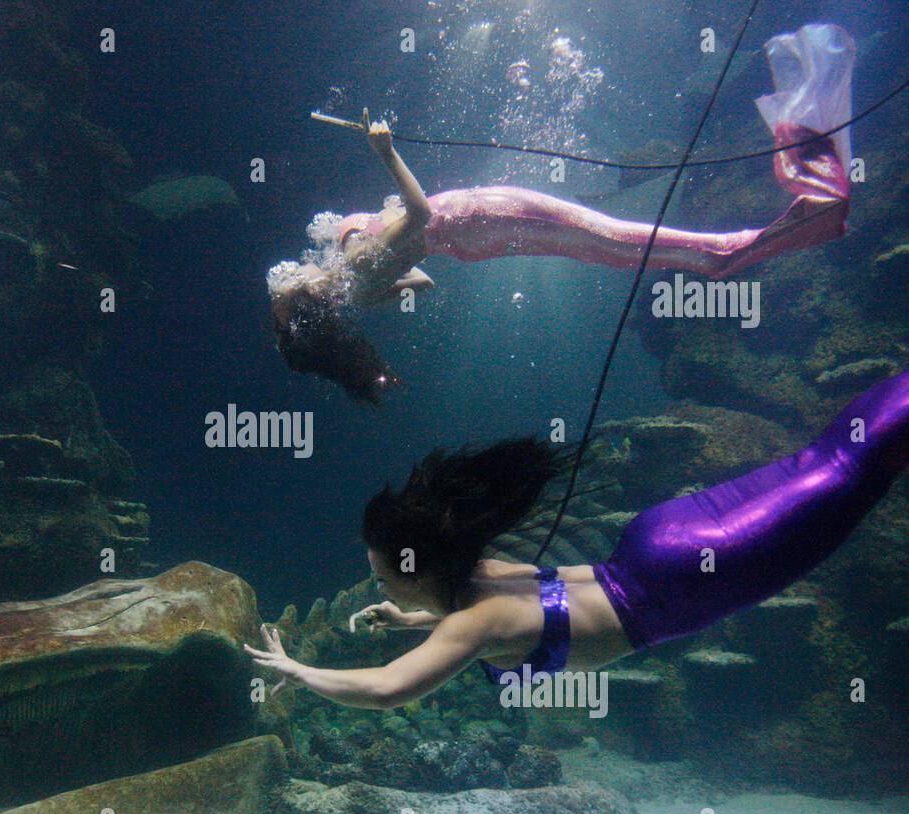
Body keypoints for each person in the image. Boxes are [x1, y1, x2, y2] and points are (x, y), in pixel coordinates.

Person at [245, 368, 907, 708]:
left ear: (418, 568)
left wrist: (298, 671)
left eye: (383, 574)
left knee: (850, 470)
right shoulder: (478, 577)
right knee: (828, 460)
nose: (378, 582)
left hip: (693, 576)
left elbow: (388, 689)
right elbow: (484, 617)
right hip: (660, 541)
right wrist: (414, 616)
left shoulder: (473, 621)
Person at [267, 24, 856, 403]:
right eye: (288, 284)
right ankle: (764, 240)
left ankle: (760, 242)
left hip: (474, 238)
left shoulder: (360, 290)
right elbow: (421, 216)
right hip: (482, 215)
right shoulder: (356, 256)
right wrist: (387, 155)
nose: (288, 272)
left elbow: (421, 278)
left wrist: (402, 246)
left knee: (620, 247)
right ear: (306, 296)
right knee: (622, 239)